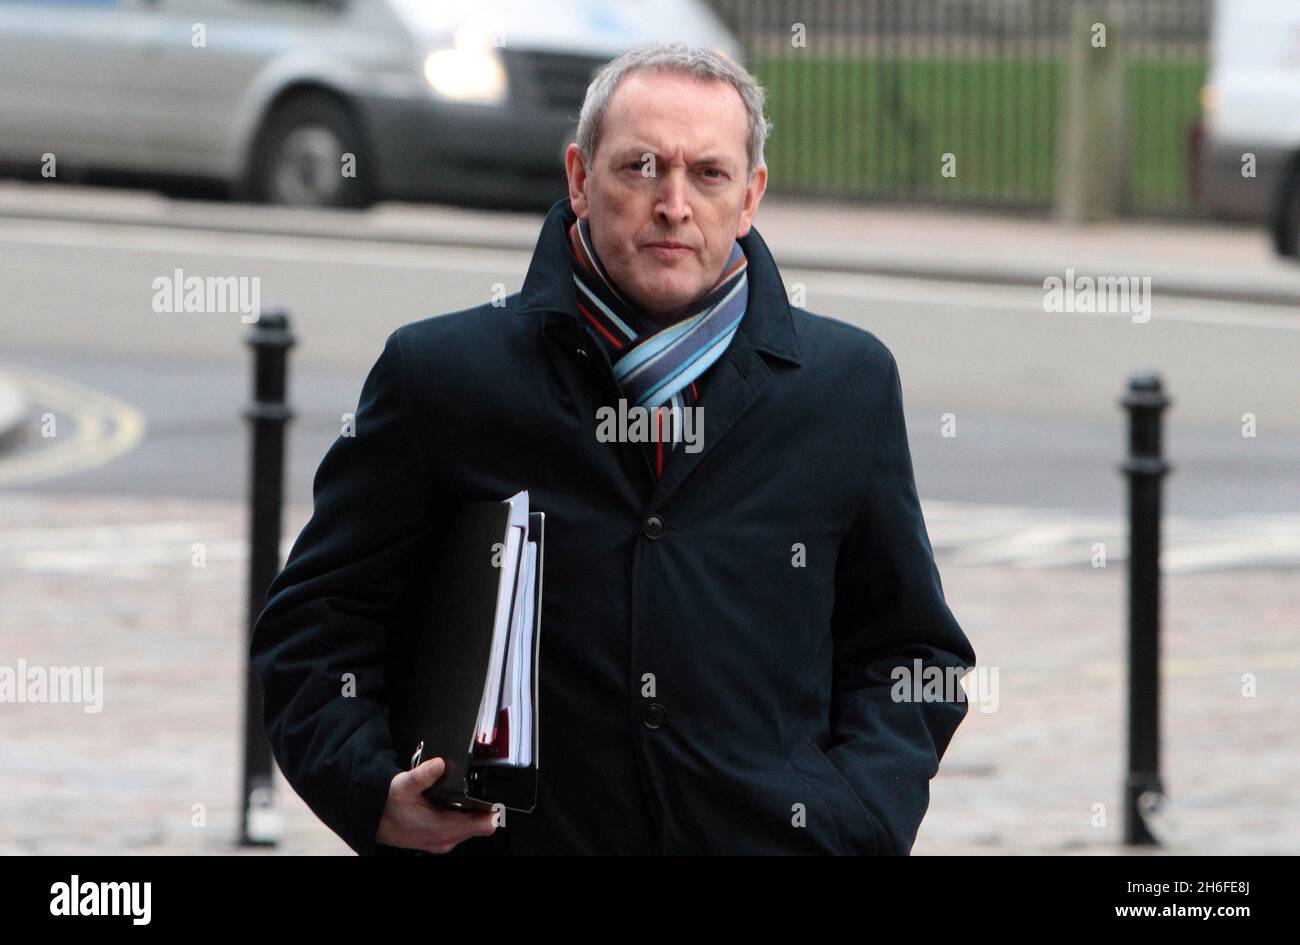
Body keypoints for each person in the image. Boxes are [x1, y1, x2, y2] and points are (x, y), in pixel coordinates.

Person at [250, 41, 976, 856]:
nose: (674, 204)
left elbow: (914, 654)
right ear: (578, 177)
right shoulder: (443, 376)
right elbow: (313, 627)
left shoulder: (847, 384)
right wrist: (369, 787)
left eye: (708, 174)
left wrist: (856, 818)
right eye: (640, 168)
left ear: (750, 197)